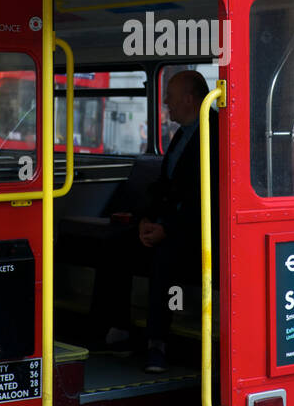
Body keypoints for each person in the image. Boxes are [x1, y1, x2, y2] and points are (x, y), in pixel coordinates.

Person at [93, 69, 219, 372]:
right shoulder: (182, 134)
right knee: (114, 247)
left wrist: (168, 229)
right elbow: (164, 186)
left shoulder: (215, 134)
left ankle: (157, 345)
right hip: (166, 224)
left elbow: (207, 197)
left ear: (189, 99)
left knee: (165, 259)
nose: (165, 103)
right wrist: (145, 220)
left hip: (197, 233)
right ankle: (114, 330)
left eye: (171, 97)